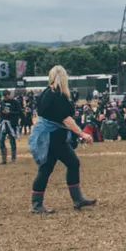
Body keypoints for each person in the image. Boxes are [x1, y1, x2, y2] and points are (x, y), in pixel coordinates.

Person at [29, 66, 96, 213]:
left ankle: (75, 199)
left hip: (52, 137)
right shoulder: (57, 95)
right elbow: (66, 119)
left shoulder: (46, 92)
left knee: (64, 165)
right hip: (52, 138)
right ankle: (38, 205)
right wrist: (82, 134)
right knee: (50, 168)